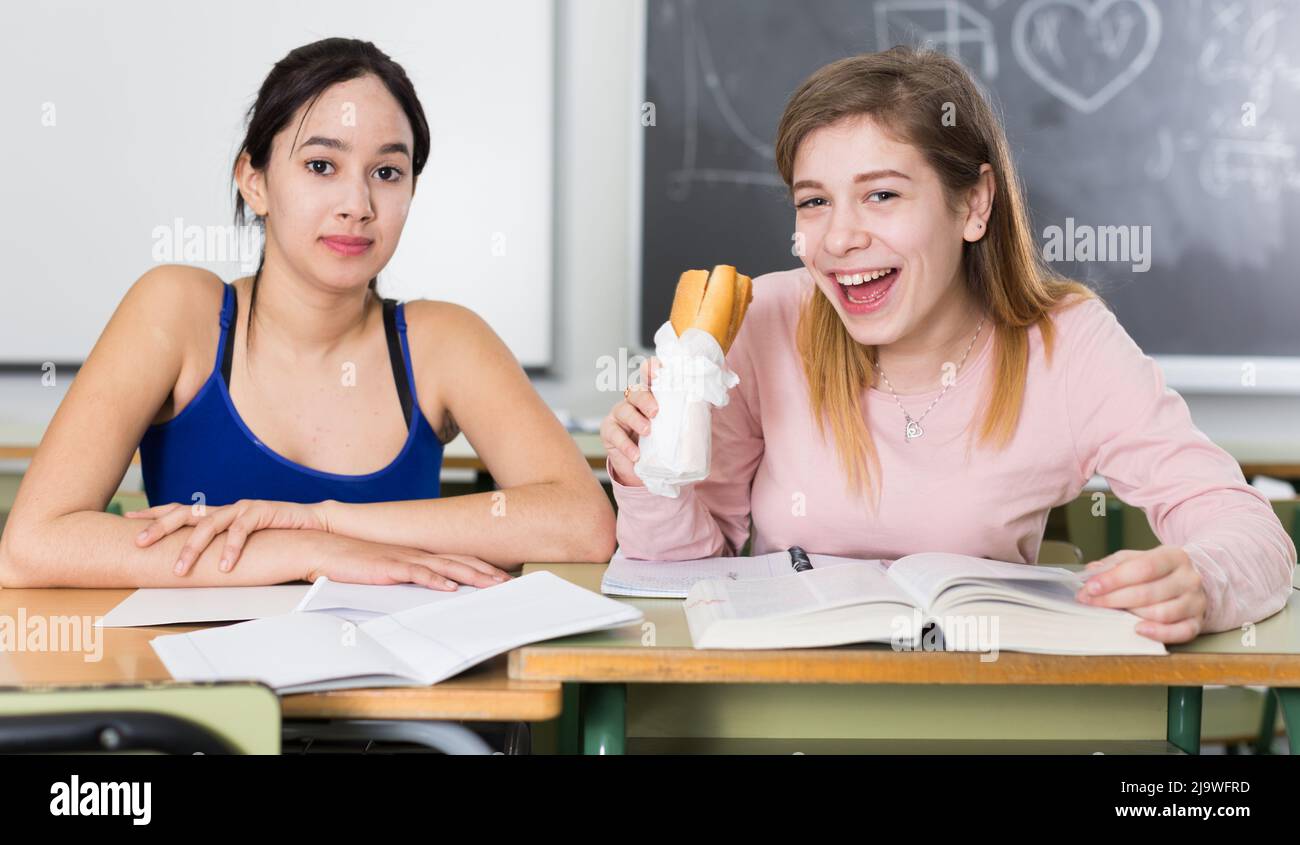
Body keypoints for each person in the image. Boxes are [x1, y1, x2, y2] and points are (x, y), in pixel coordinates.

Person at [600, 47, 1295, 644]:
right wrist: (650, 479)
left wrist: (1202, 579)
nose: (838, 239)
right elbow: (681, 575)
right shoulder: (767, 319)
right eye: (814, 202)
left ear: (974, 204)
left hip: (987, 710)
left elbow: (1252, 535)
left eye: (881, 196)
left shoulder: (1068, 344)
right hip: (788, 708)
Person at [0, 38, 614, 590]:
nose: (358, 204)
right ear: (254, 181)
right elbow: (32, 546)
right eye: (321, 165)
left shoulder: (445, 340)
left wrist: (326, 520)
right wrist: (309, 551)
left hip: (402, 704)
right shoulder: (177, 310)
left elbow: (583, 524)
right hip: (210, 701)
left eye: (387, 173)